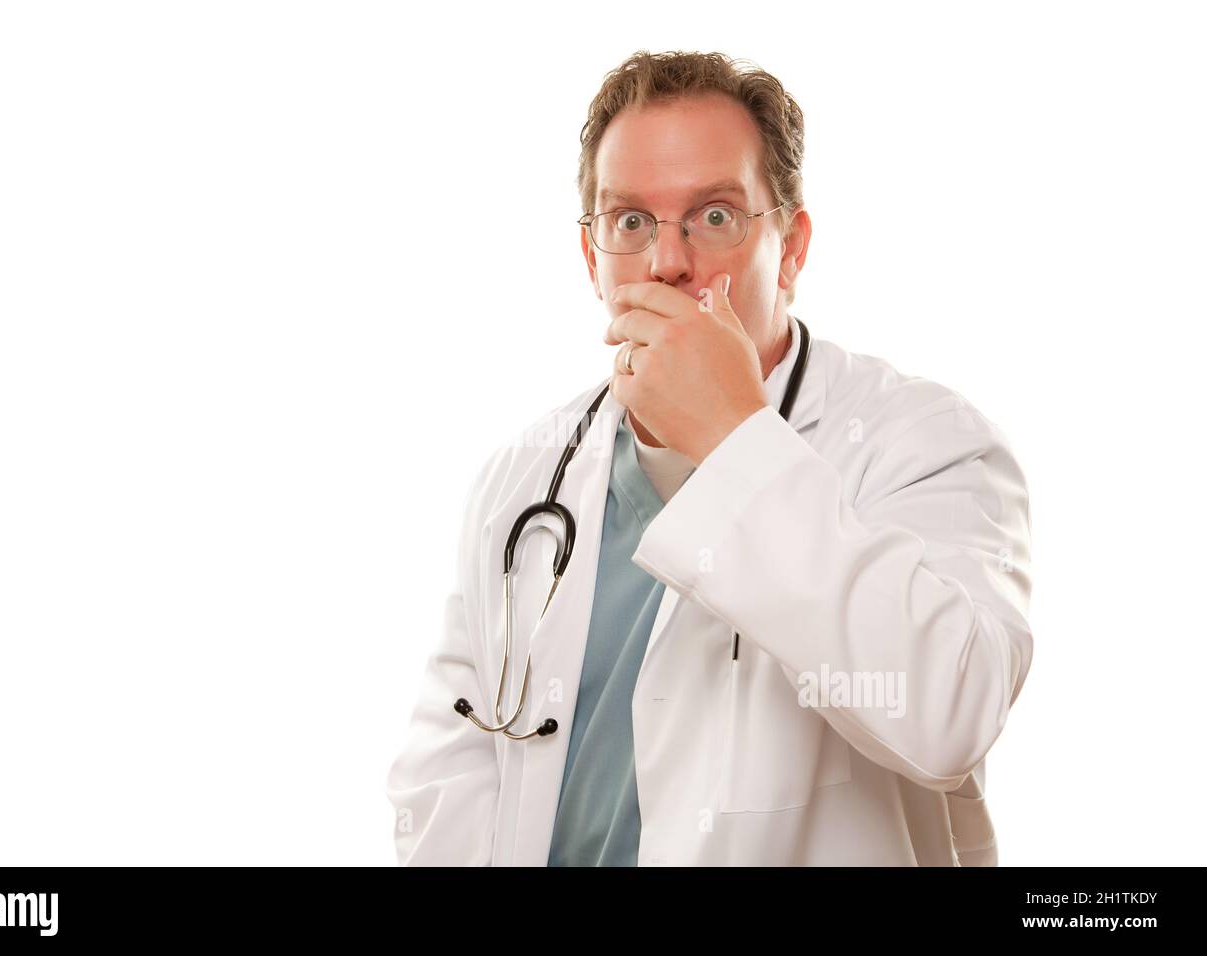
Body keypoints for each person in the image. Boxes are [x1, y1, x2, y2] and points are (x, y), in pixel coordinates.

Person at [385, 50, 1033, 866]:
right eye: (630, 222)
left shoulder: (925, 443)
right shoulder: (524, 479)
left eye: (715, 215)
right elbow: (447, 774)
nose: (667, 262)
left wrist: (733, 434)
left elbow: (951, 712)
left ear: (791, 250)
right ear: (593, 259)